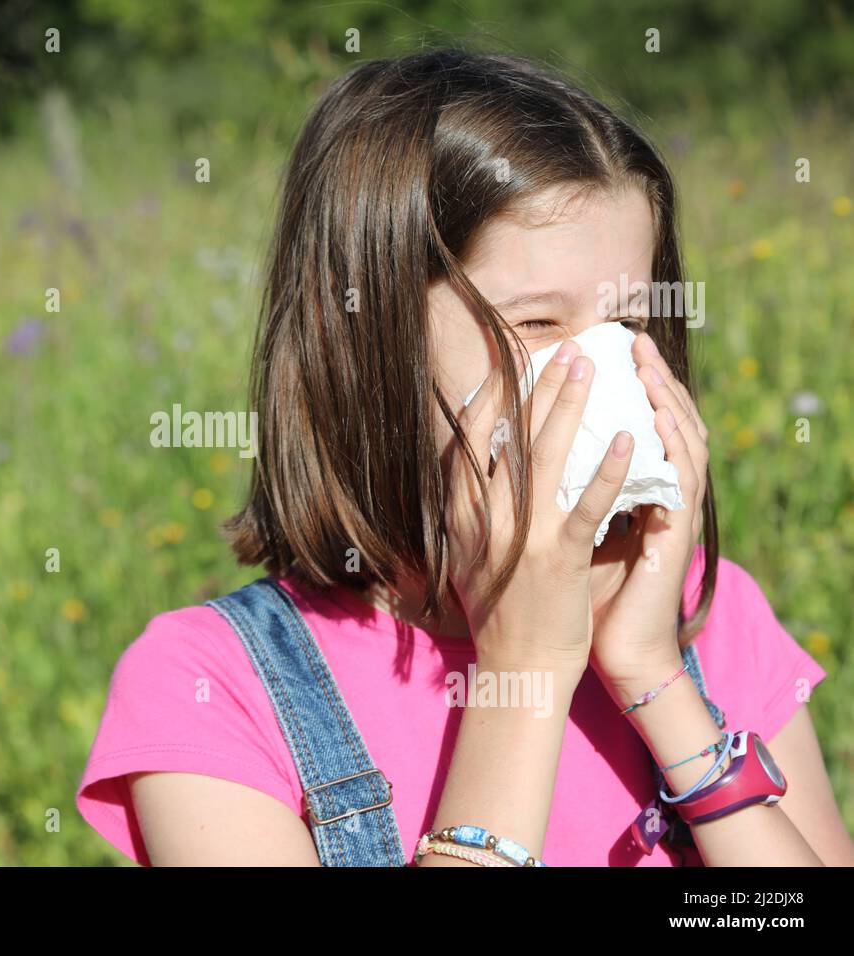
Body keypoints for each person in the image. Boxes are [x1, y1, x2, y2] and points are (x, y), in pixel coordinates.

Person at [75, 49, 850, 866]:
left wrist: (657, 680)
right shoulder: (215, 686)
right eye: (539, 327)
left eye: (628, 325)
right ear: (369, 341)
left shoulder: (702, 614)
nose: (599, 372)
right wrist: (526, 670)